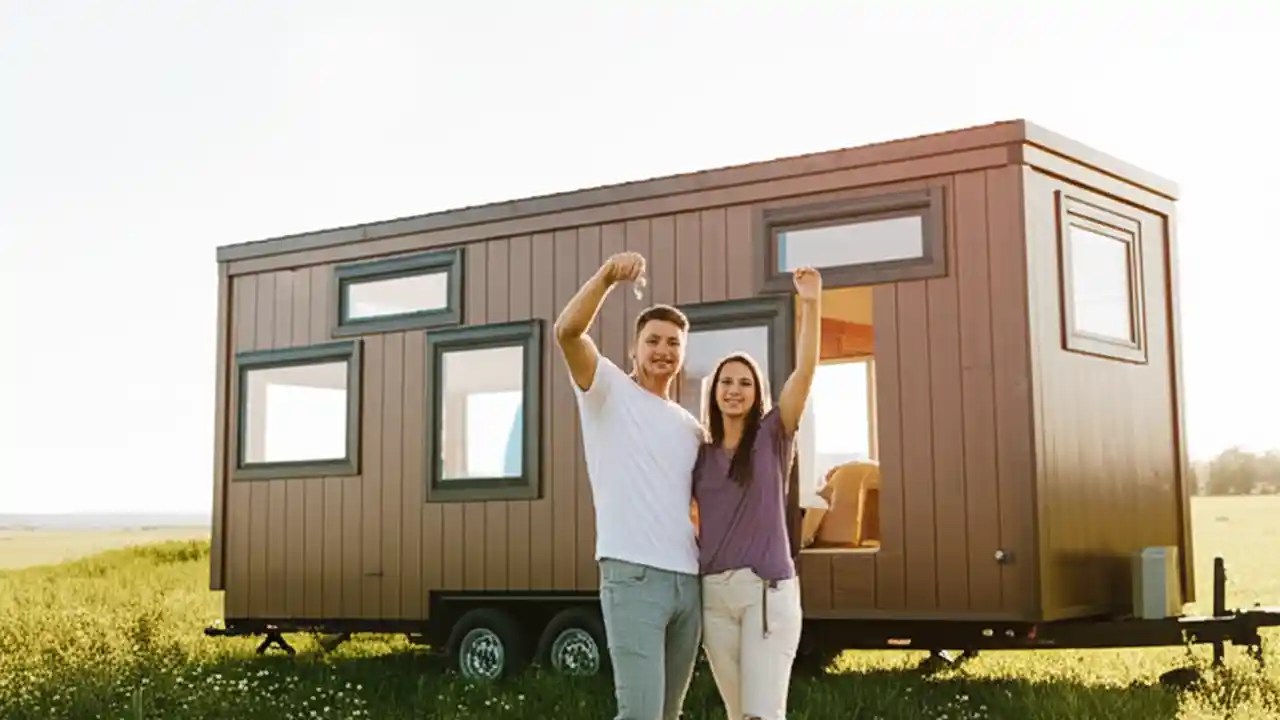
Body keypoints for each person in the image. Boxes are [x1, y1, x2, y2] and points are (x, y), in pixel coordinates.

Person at [554, 251, 705, 720]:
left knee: (667, 715)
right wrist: (606, 277)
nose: (663, 350)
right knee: (639, 714)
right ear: (633, 349)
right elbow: (568, 333)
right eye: (653, 340)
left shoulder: (690, 427)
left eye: (674, 343)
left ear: (682, 355)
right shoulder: (607, 391)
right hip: (633, 576)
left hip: (688, 582)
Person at [692, 266, 822, 720]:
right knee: (738, 715)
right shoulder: (700, 453)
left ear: (757, 393)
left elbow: (805, 370)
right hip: (713, 598)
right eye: (726, 382)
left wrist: (810, 303)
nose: (734, 389)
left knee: (763, 715)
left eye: (745, 383)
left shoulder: (773, 435)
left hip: (766, 592)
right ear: (714, 391)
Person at [800, 460, 881, 549]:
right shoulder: (867, 466)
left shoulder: (839, 474)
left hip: (836, 538)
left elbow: (821, 502)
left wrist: (806, 537)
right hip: (861, 536)